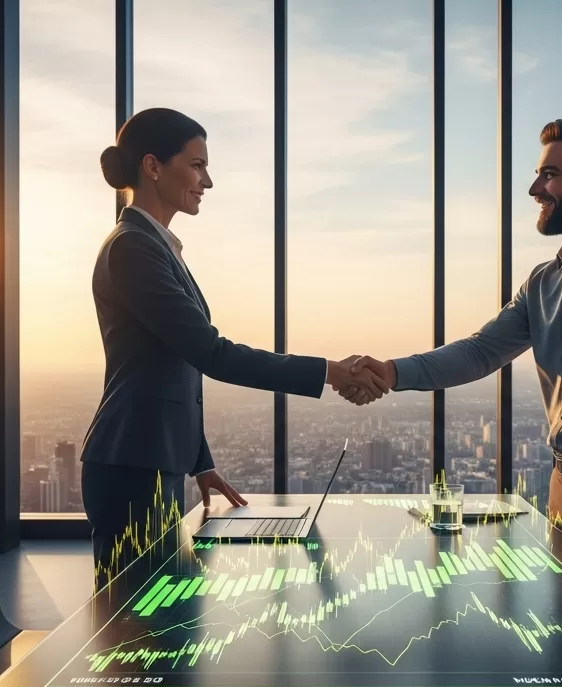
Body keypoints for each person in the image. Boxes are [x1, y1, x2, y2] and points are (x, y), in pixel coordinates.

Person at [347, 117, 562, 606]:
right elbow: (481, 350)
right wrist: (392, 371)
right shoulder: (543, 281)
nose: (535, 188)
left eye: (550, 175)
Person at [81, 107, 386, 588]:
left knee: (154, 619)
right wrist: (329, 370)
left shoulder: (154, 246)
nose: (208, 180)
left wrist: (200, 462)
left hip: (147, 459)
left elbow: (171, 368)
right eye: (197, 164)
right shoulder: (132, 248)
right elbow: (211, 353)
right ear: (153, 166)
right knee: (132, 628)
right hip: (131, 464)